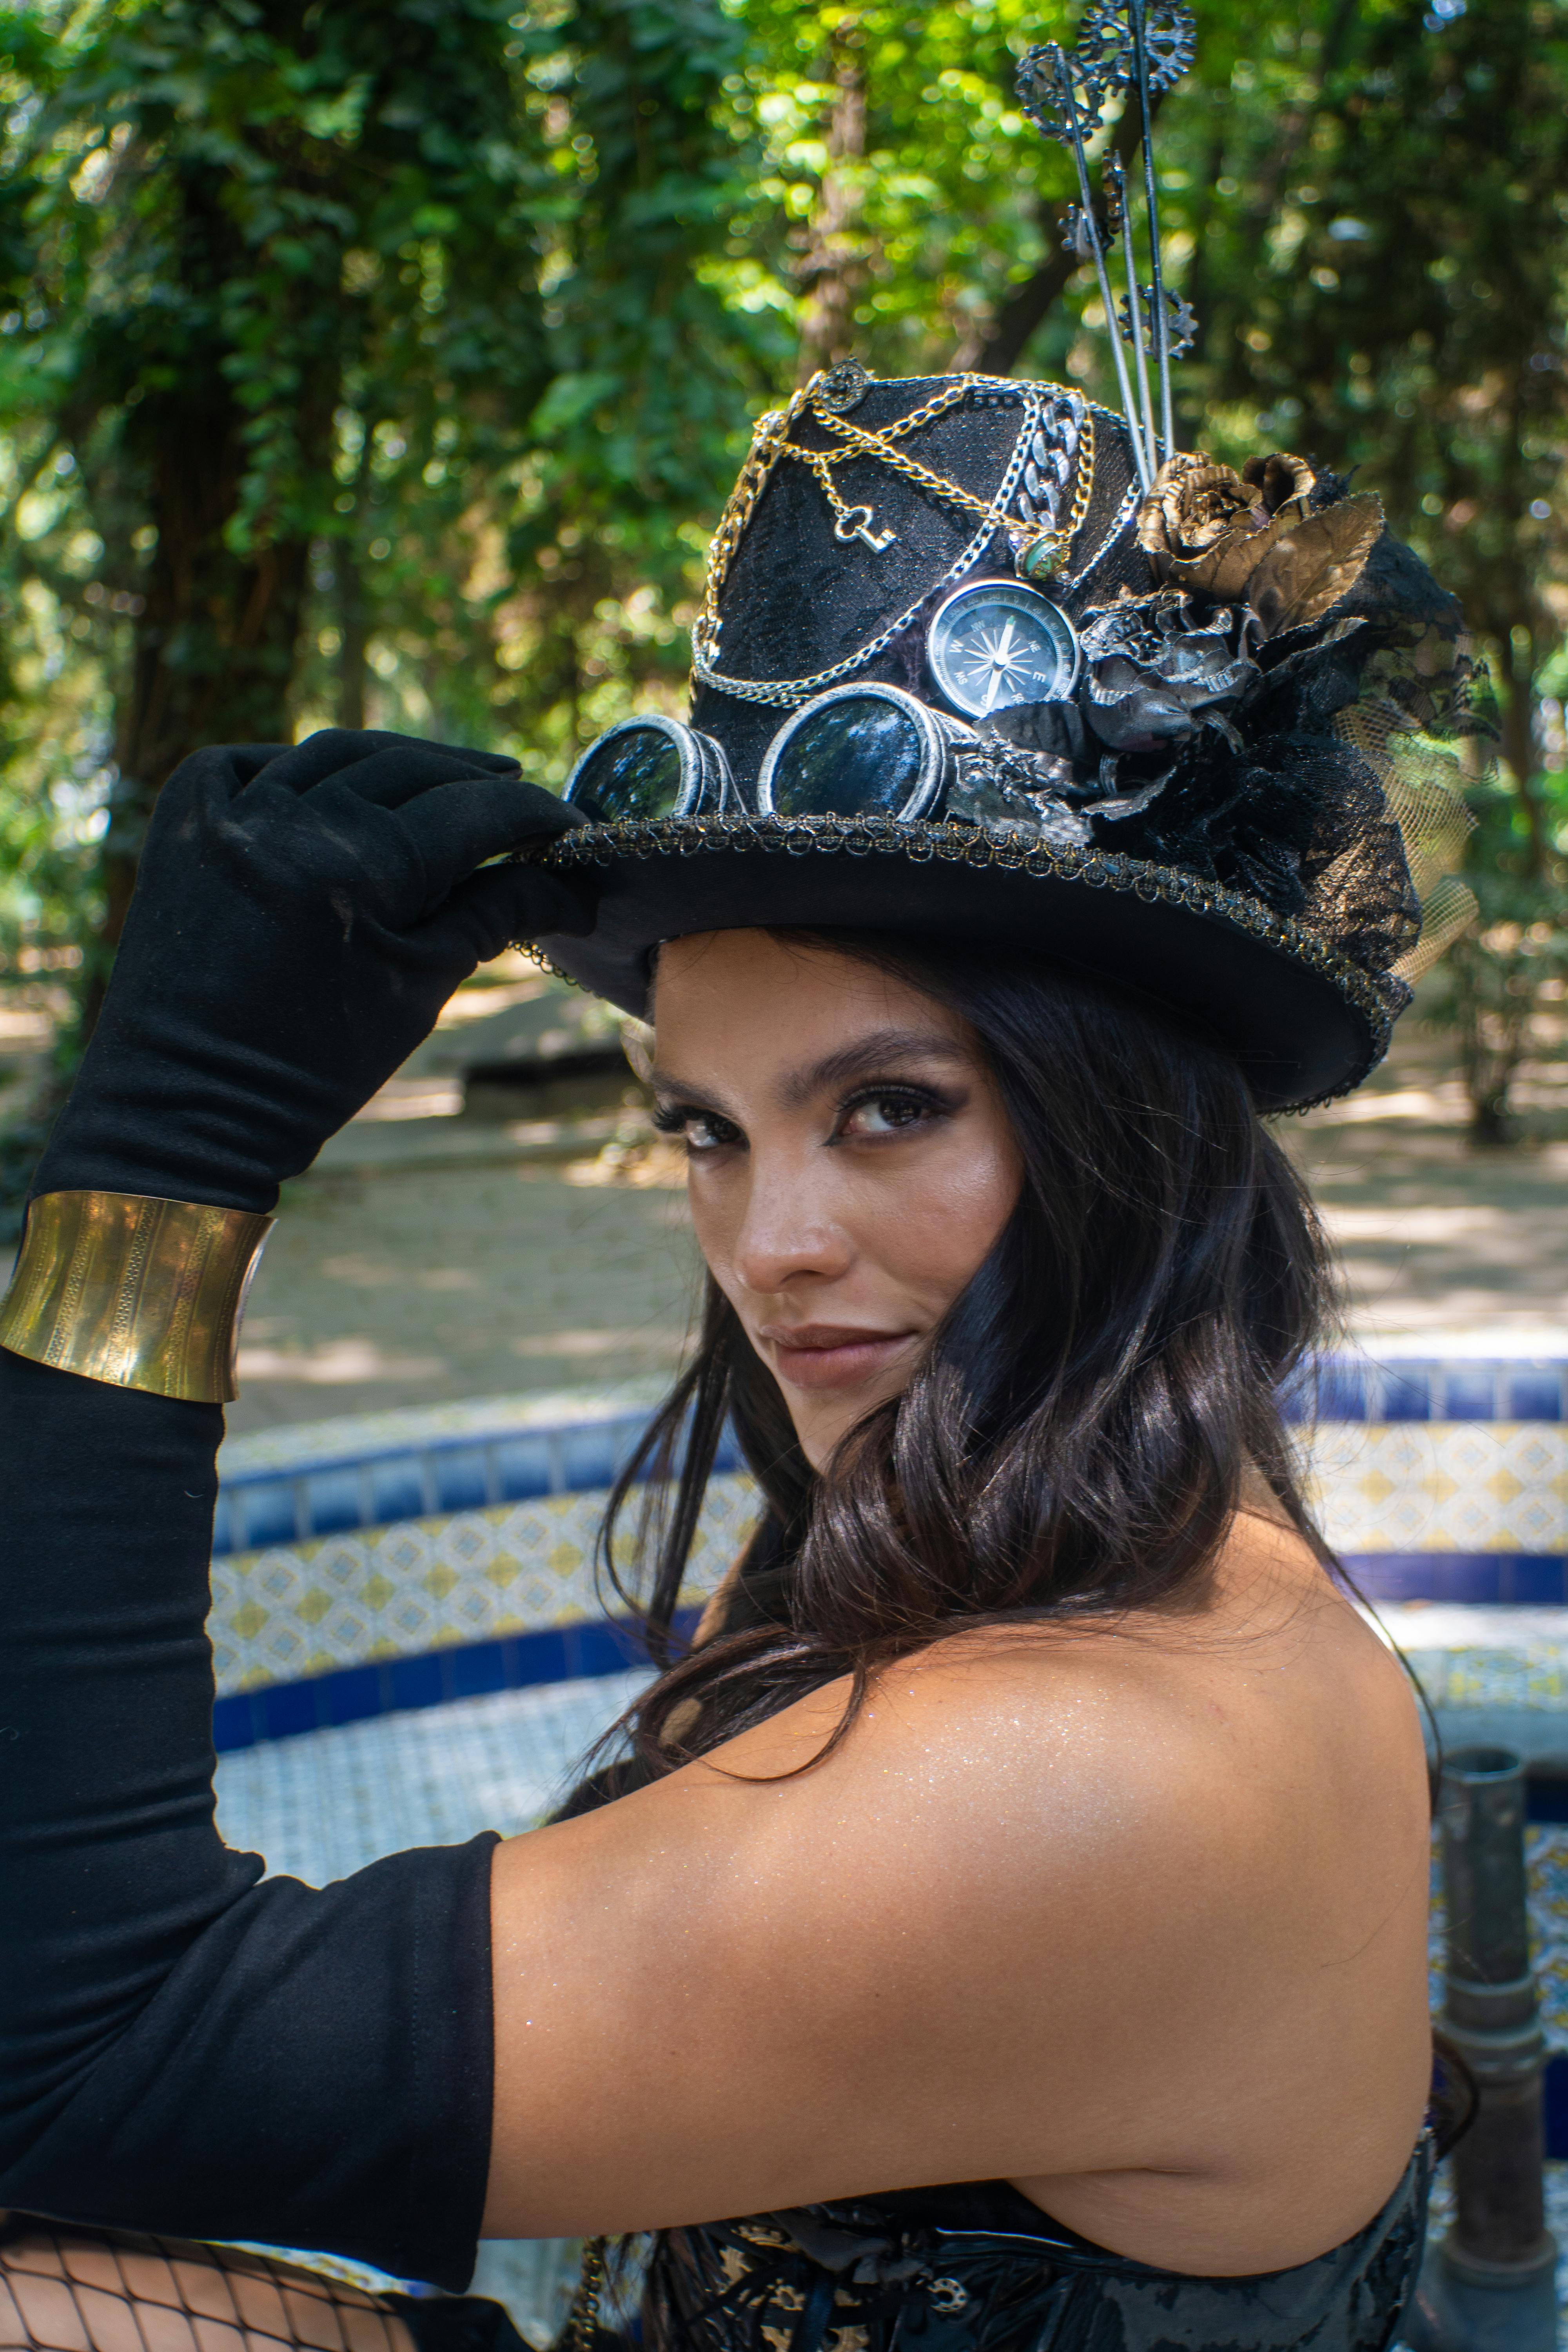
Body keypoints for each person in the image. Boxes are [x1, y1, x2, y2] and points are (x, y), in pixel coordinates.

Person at [1, 30, 1486, 2345]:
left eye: (888, 1109)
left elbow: (63, 2057)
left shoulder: (1089, 1776)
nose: (770, 1240)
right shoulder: (1073, 1539)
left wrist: (161, 1173)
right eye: (710, 1125)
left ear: (1127, 1125)